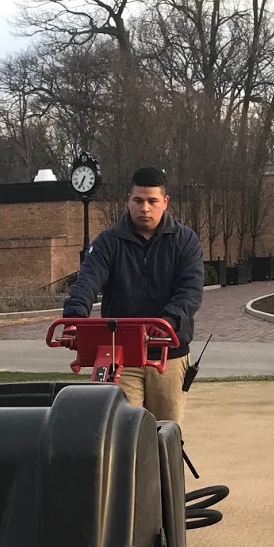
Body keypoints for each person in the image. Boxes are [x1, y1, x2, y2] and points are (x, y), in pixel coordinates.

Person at [62, 166, 204, 426]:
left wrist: (170, 321)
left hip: (168, 351)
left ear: (165, 202)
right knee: (122, 428)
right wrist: (74, 315)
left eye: (152, 201)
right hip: (121, 353)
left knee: (166, 431)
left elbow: (191, 290)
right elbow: (88, 279)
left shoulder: (185, 241)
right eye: (138, 201)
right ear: (128, 200)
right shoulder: (108, 243)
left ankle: (164, 467)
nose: (145, 208)